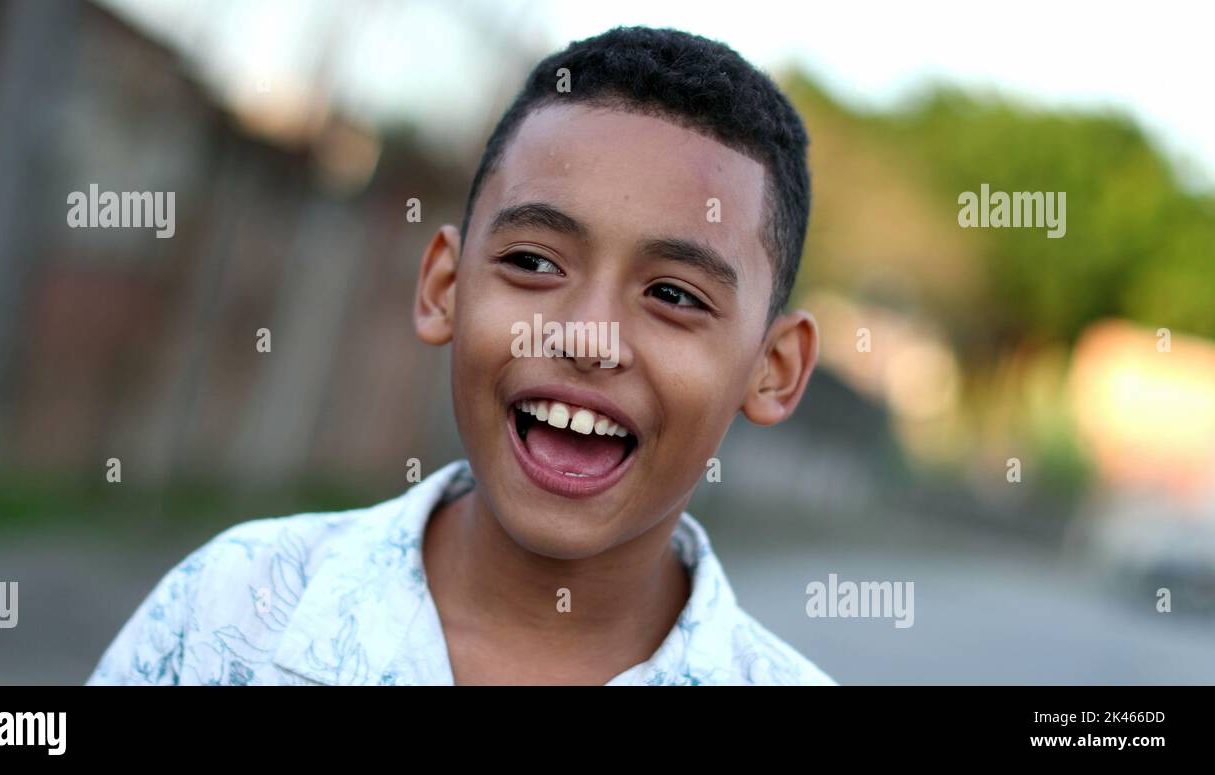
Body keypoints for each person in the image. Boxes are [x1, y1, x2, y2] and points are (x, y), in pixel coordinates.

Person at [88, 26, 834, 686]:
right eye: (535, 263)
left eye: (673, 294)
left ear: (774, 369)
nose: (585, 336)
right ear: (445, 286)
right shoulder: (232, 609)